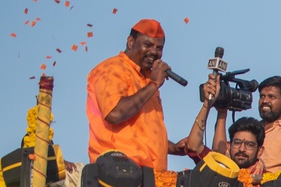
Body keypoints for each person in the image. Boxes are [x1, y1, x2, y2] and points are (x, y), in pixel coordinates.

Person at [86, 19, 201, 172]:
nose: (154, 52)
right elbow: (114, 113)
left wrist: (173, 148)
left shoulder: (147, 79)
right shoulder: (112, 68)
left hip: (148, 177)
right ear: (130, 42)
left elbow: (140, 134)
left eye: (159, 48)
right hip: (118, 172)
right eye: (148, 45)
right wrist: (153, 85)